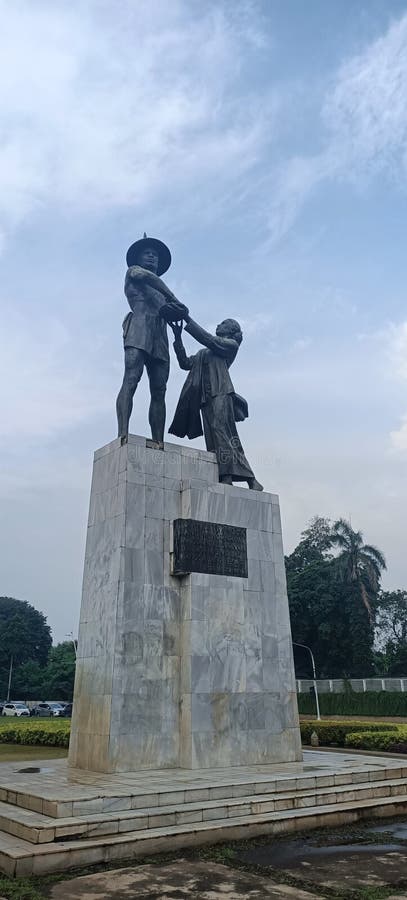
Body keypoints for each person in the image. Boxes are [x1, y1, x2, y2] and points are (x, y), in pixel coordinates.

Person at [169, 316, 263, 490]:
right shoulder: (204, 353)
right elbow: (185, 363)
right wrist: (177, 338)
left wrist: (187, 319)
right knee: (214, 441)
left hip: (221, 394)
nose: (219, 324)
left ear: (231, 330)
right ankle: (234, 478)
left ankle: (240, 478)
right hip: (206, 401)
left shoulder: (230, 346)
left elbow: (209, 339)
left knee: (222, 433)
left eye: (223, 323)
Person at [116, 234, 188, 443]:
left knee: (159, 390)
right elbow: (148, 277)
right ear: (138, 258)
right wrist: (175, 298)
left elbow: (175, 318)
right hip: (139, 327)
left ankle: (158, 441)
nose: (152, 257)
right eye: (147, 253)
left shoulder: (162, 294)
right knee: (131, 379)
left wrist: (178, 329)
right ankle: (123, 434)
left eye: (155, 255)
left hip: (160, 337)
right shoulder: (134, 273)